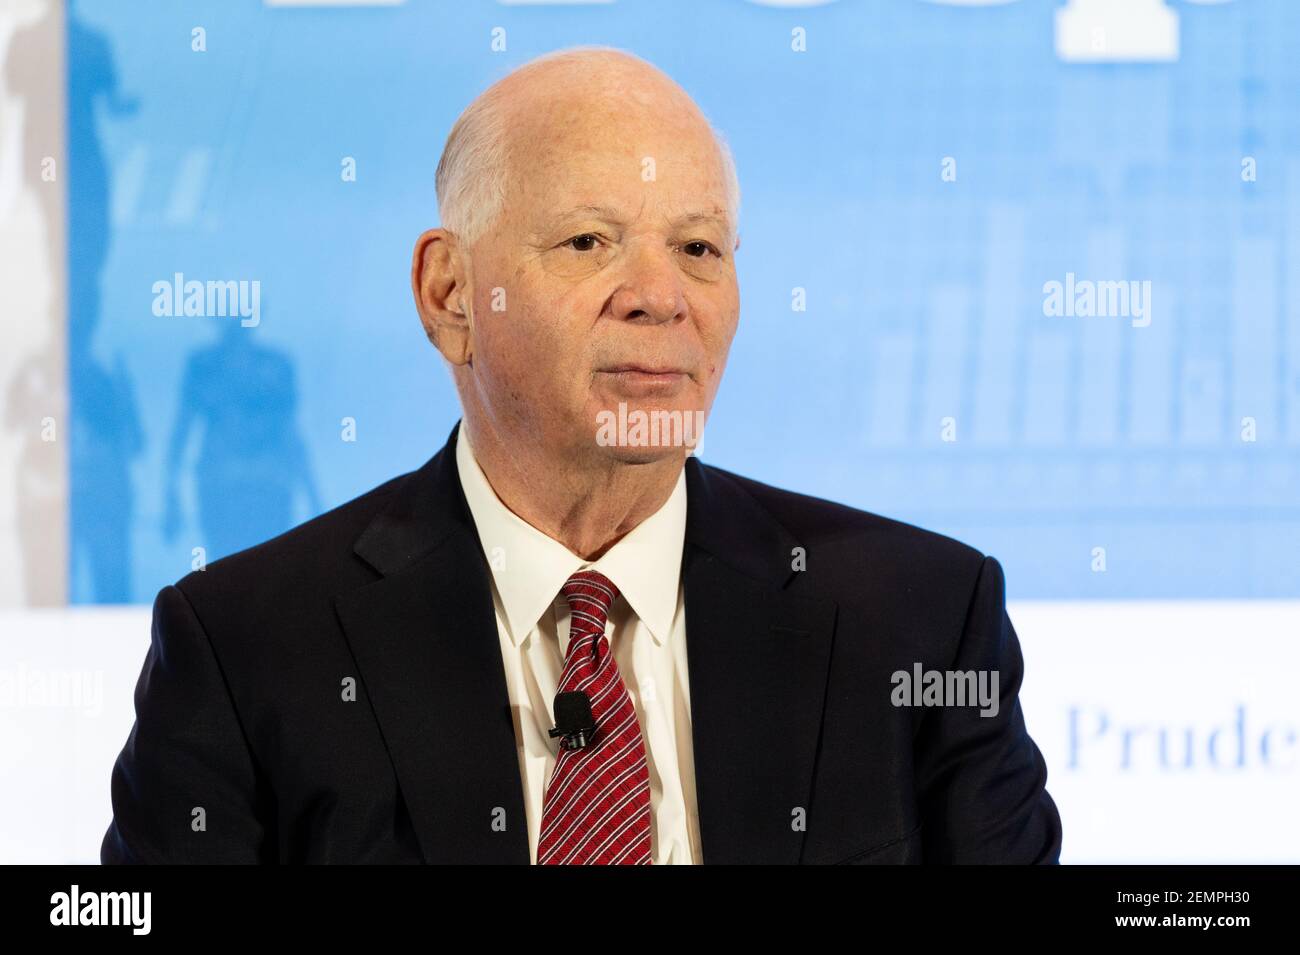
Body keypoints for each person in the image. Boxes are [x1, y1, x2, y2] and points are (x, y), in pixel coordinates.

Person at [101, 46, 1061, 865]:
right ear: (450, 296)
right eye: (589, 240)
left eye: (699, 248)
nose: (659, 295)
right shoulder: (244, 651)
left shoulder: (924, 619)